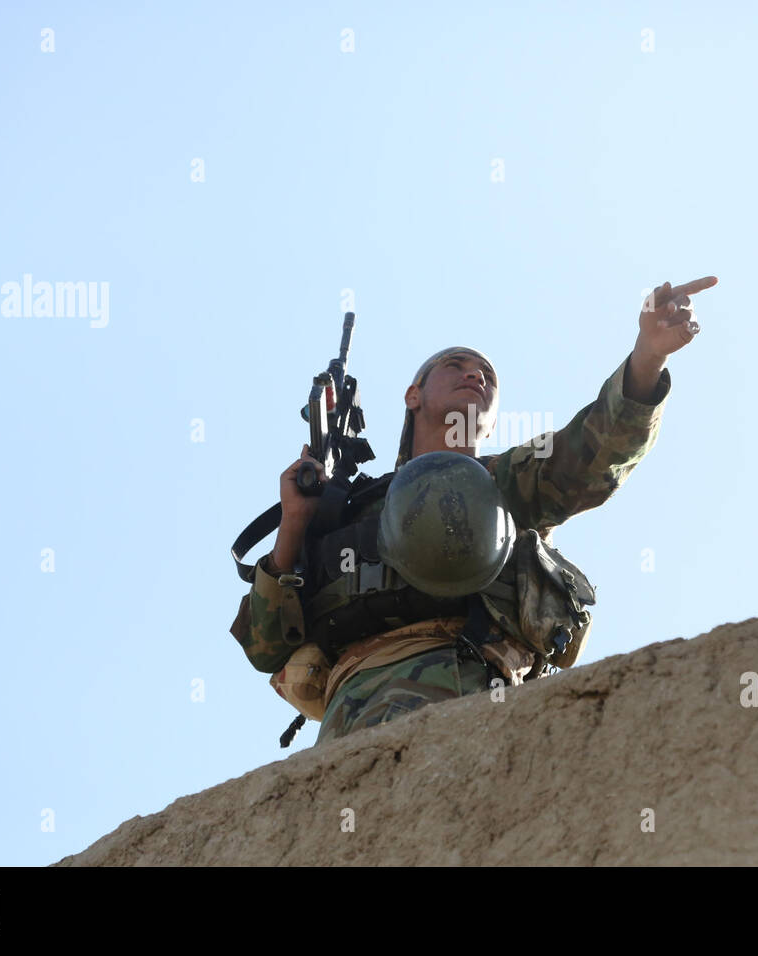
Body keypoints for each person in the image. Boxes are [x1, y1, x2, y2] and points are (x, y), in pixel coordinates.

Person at [230, 276, 717, 744]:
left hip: (467, 685)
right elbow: (265, 647)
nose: (474, 375)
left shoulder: (502, 481)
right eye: (456, 366)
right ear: (413, 395)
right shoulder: (349, 507)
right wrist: (294, 522)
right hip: (346, 713)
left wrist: (648, 356)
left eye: (487, 376)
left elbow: (593, 452)